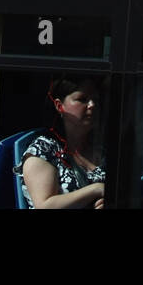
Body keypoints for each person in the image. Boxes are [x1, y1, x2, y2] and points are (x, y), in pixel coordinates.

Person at [16, 75, 105, 209]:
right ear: (59, 106)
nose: (92, 105)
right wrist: (96, 190)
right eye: (82, 99)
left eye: (96, 99)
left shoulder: (103, 148)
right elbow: (44, 205)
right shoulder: (44, 149)